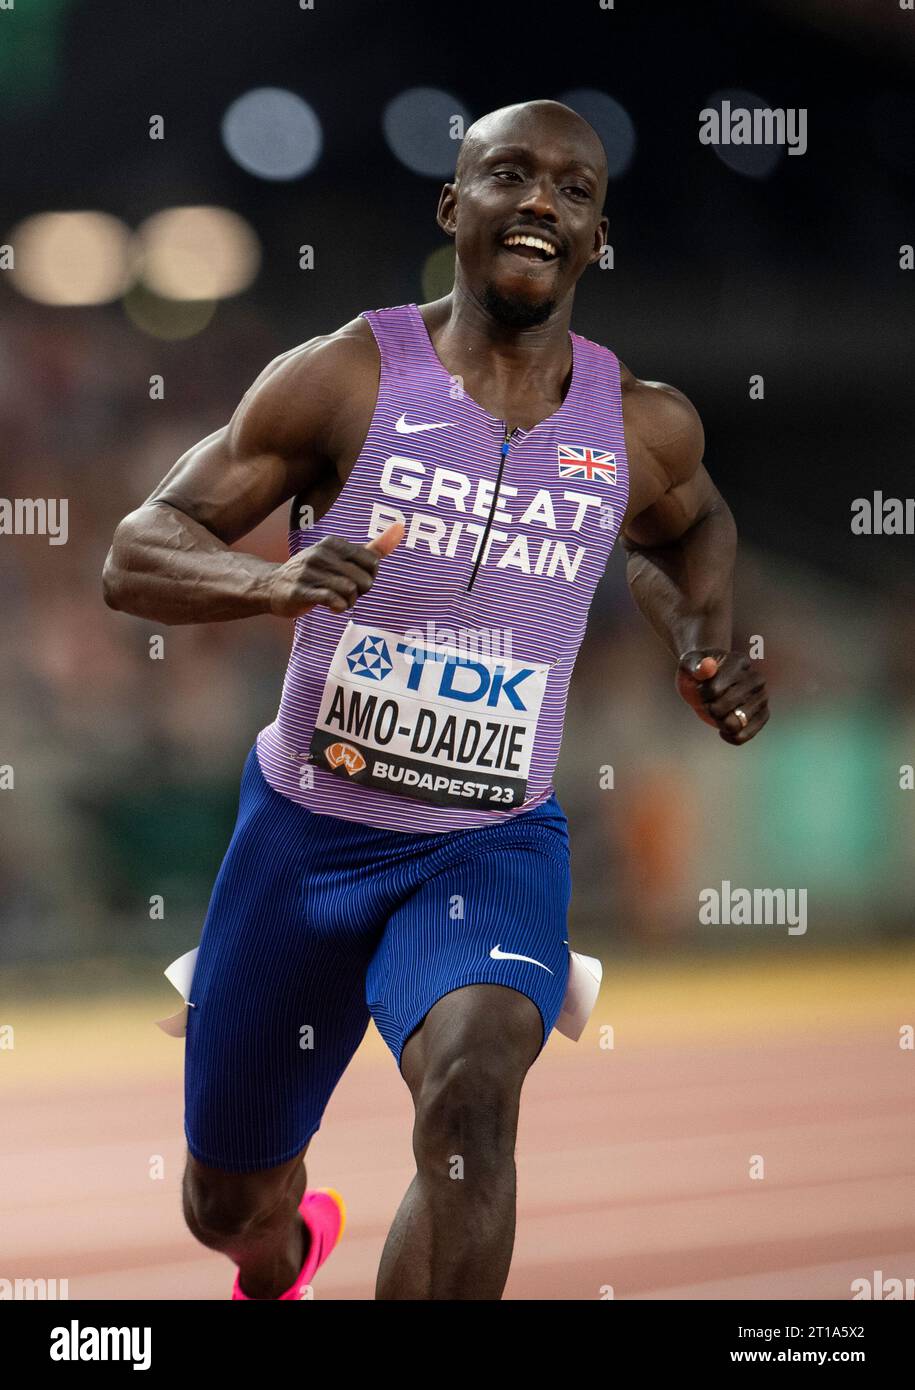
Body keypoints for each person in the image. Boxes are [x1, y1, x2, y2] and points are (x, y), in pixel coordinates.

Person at [102, 98, 769, 1301]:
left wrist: (702, 642)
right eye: (509, 175)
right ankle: (281, 1253)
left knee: (472, 1093)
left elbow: (692, 528)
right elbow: (137, 549)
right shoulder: (345, 378)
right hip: (304, 840)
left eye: (572, 190)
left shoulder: (639, 423)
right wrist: (270, 580)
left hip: (490, 841)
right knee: (225, 1204)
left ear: (597, 239)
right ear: (454, 208)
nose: (540, 202)